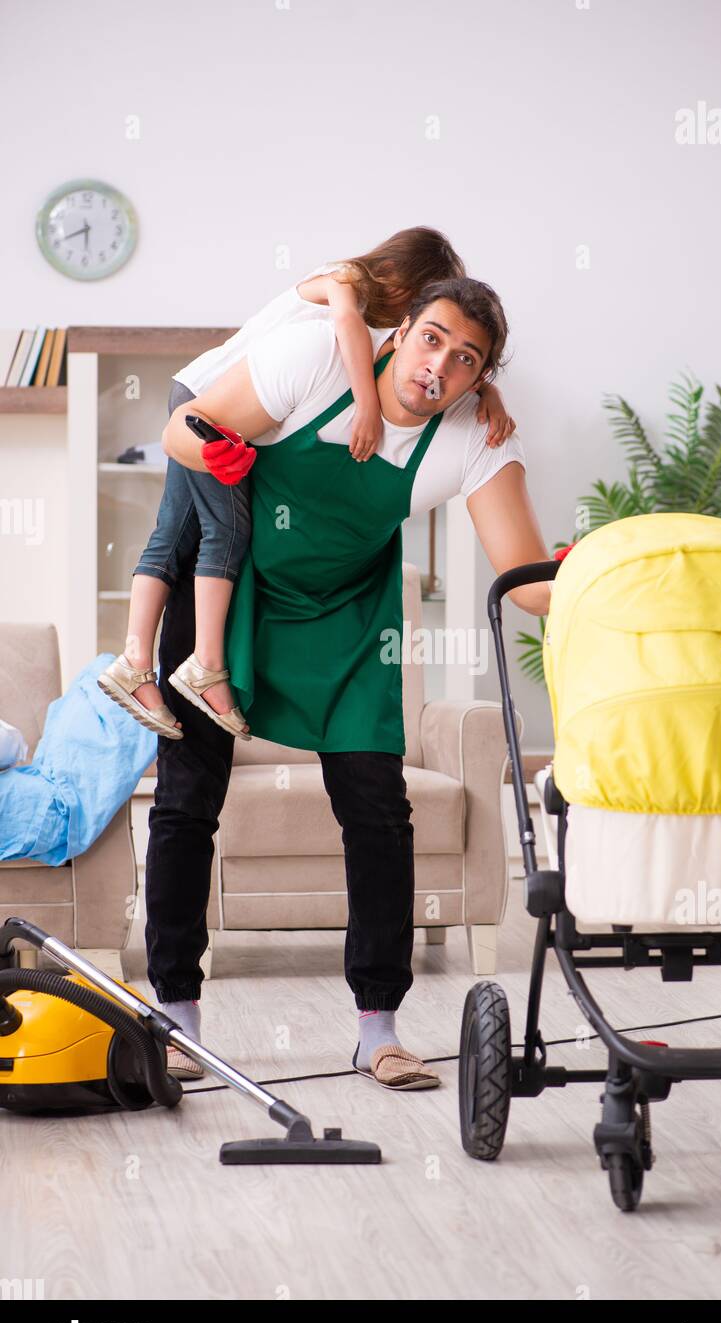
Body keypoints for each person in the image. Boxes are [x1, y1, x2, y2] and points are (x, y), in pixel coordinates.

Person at [150, 276, 551, 1084]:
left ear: (479, 380)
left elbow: (531, 581)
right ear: (398, 331)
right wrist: (221, 447)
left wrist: (616, 573)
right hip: (233, 588)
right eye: (432, 338)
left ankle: (379, 1028)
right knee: (187, 800)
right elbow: (180, 430)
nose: (440, 364)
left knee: (378, 811)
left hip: (348, 619)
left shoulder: (472, 437)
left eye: (465, 359)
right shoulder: (312, 361)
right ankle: (175, 1017)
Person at [97, 228, 516, 743]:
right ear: (405, 289)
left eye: (466, 356)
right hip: (205, 405)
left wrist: (485, 392)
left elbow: (440, 357)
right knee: (222, 534)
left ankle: (136, 661)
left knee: (174, 536)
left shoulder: (376, 323)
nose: (439, 352)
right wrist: (366, 403)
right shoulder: (343, 287)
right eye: (428, 323)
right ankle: (197, 663)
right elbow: (350, 328)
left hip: (211, 399)